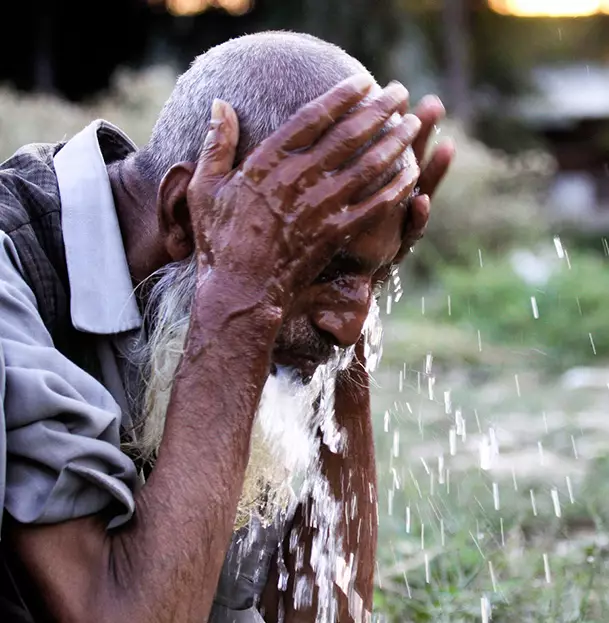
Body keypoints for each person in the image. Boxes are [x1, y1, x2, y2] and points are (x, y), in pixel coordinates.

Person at [0, 31, 454, 623]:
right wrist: (243, 300)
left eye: (372, 279)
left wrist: (343, 308)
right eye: (327, 266)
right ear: (184, 216)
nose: (351, 328)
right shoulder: (229, 305)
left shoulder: (221, 294)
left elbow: (319, 614)